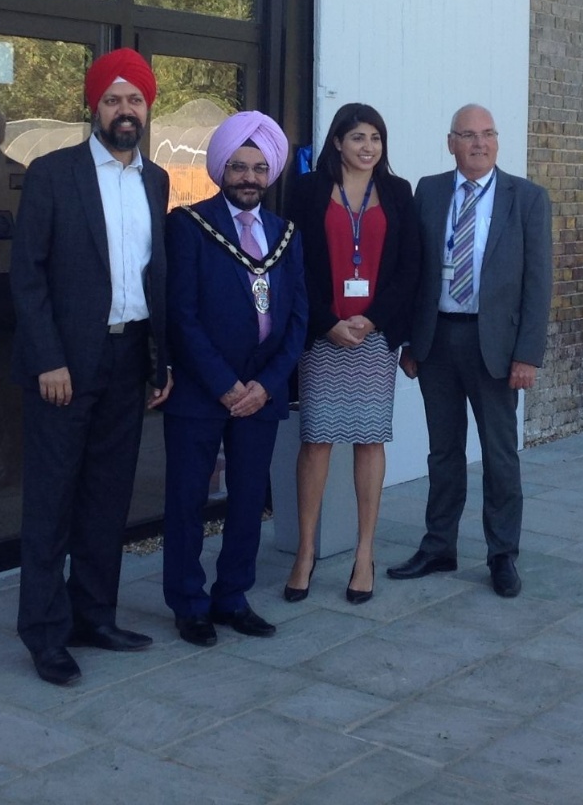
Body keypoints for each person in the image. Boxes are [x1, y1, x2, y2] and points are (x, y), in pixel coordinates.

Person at [10, 49, 172, 686]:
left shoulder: (155, 180)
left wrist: (162, 359)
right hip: (66, 365)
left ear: (147, 107)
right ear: (94, 107)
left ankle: (93, 616)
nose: (125, 111)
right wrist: (49, 358)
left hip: (128, 356)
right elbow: (28, 277)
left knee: (108, 498)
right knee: (52, 502)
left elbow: (152, 275)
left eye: (135, 100)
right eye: (113, 99)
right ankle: (45, 633)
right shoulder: (54, 174)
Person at [389, 104, 552, 597]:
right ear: (450, 142)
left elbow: (537, 283)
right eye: (468, 135)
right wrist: (412, 340)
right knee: (443, 452)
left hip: (496, 347)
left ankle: (502, 555)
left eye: (487, 135)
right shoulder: (429, 191)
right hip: (438, 339)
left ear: (497, 142)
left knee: (500, 456)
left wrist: (528, 355)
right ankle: (439, 545)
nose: (478, 144)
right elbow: (414, 269)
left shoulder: (526, 198)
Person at [163, 111, 307, 646]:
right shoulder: (189, 225)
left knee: (249, 498)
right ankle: (189, 603)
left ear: (270, 174)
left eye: (259, 168)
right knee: (186, 502)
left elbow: (297, 319)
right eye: (239, 167)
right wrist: (225, 384)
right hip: (204, 392)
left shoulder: (286, 234)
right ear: (222, 168)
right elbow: (182, 316)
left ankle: (232, 596)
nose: (249, 177)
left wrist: (267, 385)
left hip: (261, 394)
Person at [283, 104, 420, 605]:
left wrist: (375, 320)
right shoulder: (306, 191)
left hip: (374, 339)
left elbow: (410, 267)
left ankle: (365, 554)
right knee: (317, 442)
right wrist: (326, 322)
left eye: (376, 138)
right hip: (324, 337)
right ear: (337, 142)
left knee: (368, 441)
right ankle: (305, 552)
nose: (368, 147)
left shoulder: (399, 192)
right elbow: (291, 263)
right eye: (357, 137)